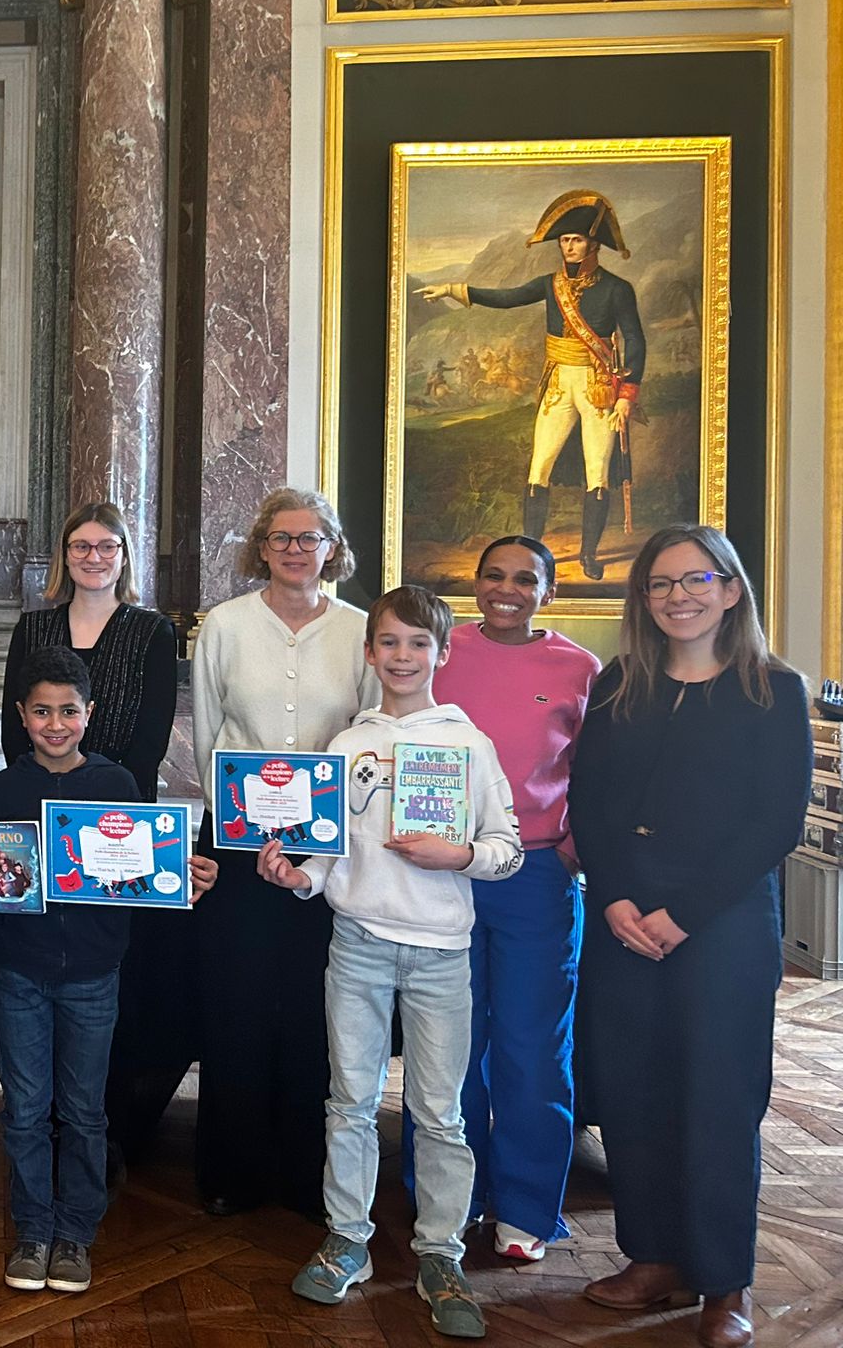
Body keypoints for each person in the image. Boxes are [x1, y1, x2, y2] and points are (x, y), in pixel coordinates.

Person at [260, 585, 523, 1341]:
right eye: (389, 643)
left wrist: (460, 854)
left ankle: (440, 1252)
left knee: (440, 1114)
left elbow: (506, 851)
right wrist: (297, 876)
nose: (403, 657)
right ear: (369, 652)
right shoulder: (349, 745)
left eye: (418, 644)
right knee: (348, 1100)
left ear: (441, 653)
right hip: (360, 948)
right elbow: (328, 855)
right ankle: (348, 1238)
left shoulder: (468, 745)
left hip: (443, 956)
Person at [569, 525, 811, 1348]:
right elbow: (588, 802)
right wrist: (613, 902)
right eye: (660, 584)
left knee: (717, 1098)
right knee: (633, 1092)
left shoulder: (773, 690)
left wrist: (683, 913)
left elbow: (774, 821)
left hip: (724, 924)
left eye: (696, 580)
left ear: (732, 589)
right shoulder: (617, 684)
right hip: (621, 918)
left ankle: (722, 1282)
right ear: (643, 599)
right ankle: (653, 1259)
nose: (678, 596)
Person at [0, 646, 216, 1295]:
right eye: (41, 711)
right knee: (23, 1110)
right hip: (19, 972)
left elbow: (143, 877)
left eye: (67, 711)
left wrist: (178, 877)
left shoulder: (116, 786)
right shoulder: (3, 789)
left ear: (89, 714)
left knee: (83, 1110)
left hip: (94, 975)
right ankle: (32, 1230)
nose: (54, 723)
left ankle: (74, 1232)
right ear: (21, 714)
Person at [397, 536, 599, 1261]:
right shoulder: (442, 655)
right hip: (442, 874)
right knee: (447, 1048)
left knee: (532, 1045)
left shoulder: (578, 668)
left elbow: (594, 769)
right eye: (493, 575)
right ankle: (450, 1198)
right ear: (473, 582)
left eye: (525, 579)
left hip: (536, 879)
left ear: (547, 591)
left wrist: (578, 840)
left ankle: (526, 1208)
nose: (506, 589)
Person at [191, 487, 377, 1218]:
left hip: (327, 850)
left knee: (313, 1007)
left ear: (333, 547)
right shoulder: (226, 625)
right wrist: (235, 817)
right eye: (281, 537)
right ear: (261, 547)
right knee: (236, 1002)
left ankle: (307, 1174)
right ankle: (231, 1171)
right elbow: (209, 733)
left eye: (311, 537)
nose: (296, 549)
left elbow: (365, 735)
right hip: (237, 842)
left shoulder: (361, 630)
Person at [1, 502, 181, 1167]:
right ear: (64, 554)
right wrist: (47, 802)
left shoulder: (152, 630)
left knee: (106, 976)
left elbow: (152, 737)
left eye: (108, 546)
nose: (94, 557)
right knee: (39, 962)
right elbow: (12, 724)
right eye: (81, 545)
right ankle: (34, 1123)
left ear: (125, 556)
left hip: (118, 821)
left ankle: (106, 1131)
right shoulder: (36, 624)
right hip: (37, 815)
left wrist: (96, 811)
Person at [417, 191, 646, 581]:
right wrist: (456, 290)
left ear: (593, 244)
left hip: (597, 387)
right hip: (558, 383)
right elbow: (507, 298)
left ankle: (589, 555)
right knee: (538, 467)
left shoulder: (617, 289)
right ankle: (530, 557)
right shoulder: (550, 284)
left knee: (598, 472)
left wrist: (626, 396)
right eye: (564, 241)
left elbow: (636, 341)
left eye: (575, 240)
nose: (569, 247)